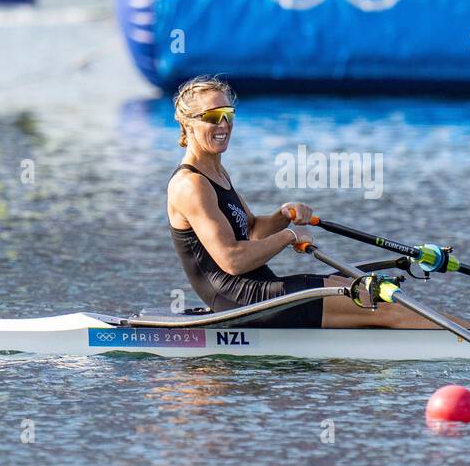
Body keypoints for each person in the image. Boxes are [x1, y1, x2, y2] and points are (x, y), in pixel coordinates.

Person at [166, 76, 446, 329]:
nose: (224, 125)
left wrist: (282, 215)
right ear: (188, 123)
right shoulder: (191, 185)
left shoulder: (216, 172)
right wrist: (288, 236)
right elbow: (233, 259)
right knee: (376, 304)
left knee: (354, 287)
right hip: (238, 299)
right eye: (213, 117)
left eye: (228, 115)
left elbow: (250, 232)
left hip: (256, 286)